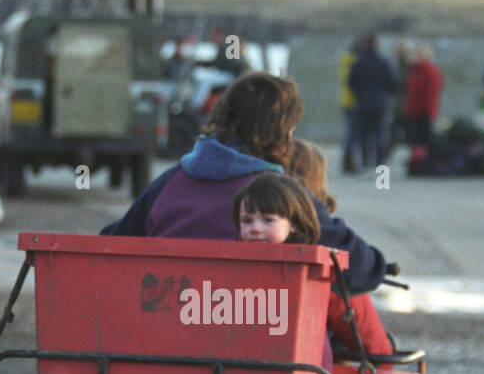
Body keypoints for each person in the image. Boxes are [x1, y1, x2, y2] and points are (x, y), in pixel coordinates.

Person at [101, 71, 388, 294]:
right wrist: (378, 265)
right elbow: (358, 269)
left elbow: (109, 247)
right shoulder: (283, 196)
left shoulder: (168, 184)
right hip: (258, 346)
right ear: (284, 131)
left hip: (163, 339)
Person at [233, 173, 391, 357]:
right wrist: (382, 359)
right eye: (247, 221)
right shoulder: (317, 274)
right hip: (303, 365)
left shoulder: (229, 266)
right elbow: (366, 339)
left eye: (268, 220)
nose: (255, 228)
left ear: (293, 224)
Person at [347, 34, 399, 169]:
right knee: (380, 135)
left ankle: (365, 164)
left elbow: (351, 83)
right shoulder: (383, 62)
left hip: (363, 103)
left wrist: (360, 93)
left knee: (364, 135)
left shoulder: (359, 62)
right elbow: (393, 83)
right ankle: (378, 165)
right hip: (380, 103)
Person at [402, 45, 443, 149]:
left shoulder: (431, 71)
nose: (416, 57)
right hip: (413, 112)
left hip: (424, 113)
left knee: (425, 141)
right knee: (414, 141)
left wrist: (428, 111)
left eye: (419, 55)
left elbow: (431, 93)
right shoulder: (415, 70)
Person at [338, 41, 360, 173]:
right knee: (352, 134)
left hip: (346, 102)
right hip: (353, 102)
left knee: (350, 133)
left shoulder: (344, 62)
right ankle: (349, 162)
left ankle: (347, 161)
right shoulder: (353, 64)